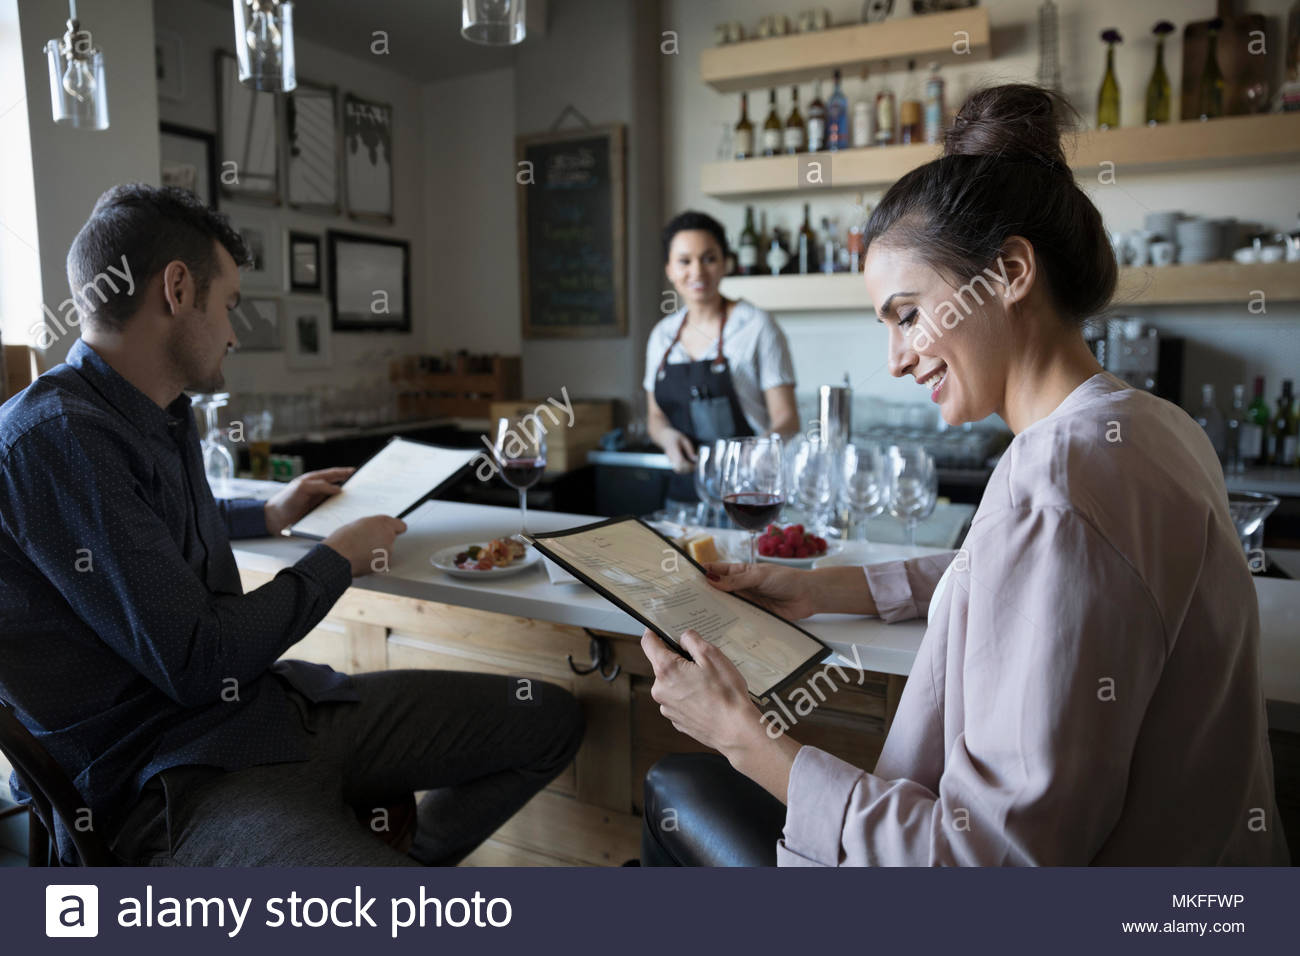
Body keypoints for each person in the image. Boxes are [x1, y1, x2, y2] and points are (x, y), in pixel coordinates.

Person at [638, 86, 1290, 866]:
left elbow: (989, 865)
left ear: (1011, 271)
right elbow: (1030, 580)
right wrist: (828, 590)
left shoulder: (1058, 483)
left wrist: (746, 739)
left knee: (675, 787)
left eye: (908, 314)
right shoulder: (1151, 426)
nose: (898, 358)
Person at [0, 184, 583, 866]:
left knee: (548, 719)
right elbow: (199, 661)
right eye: (230, 306)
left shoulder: (156, 407)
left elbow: (145, 547)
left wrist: (268, 512)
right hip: (174, 781)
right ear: (178, 289)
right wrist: (337, 558)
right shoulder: (56, 440)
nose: (234, 332)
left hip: (268, 714)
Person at [644, 211, 798, 505]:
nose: (697, 272)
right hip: (683, 497)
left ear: (726, 263)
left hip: (749, 493)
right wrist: (667, 439)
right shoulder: (662, 336)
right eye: (685, 261)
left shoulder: (757, 326)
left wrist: (759, 450)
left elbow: (787, 418)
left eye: (709, 258)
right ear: (669, 269)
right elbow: (655, 416)